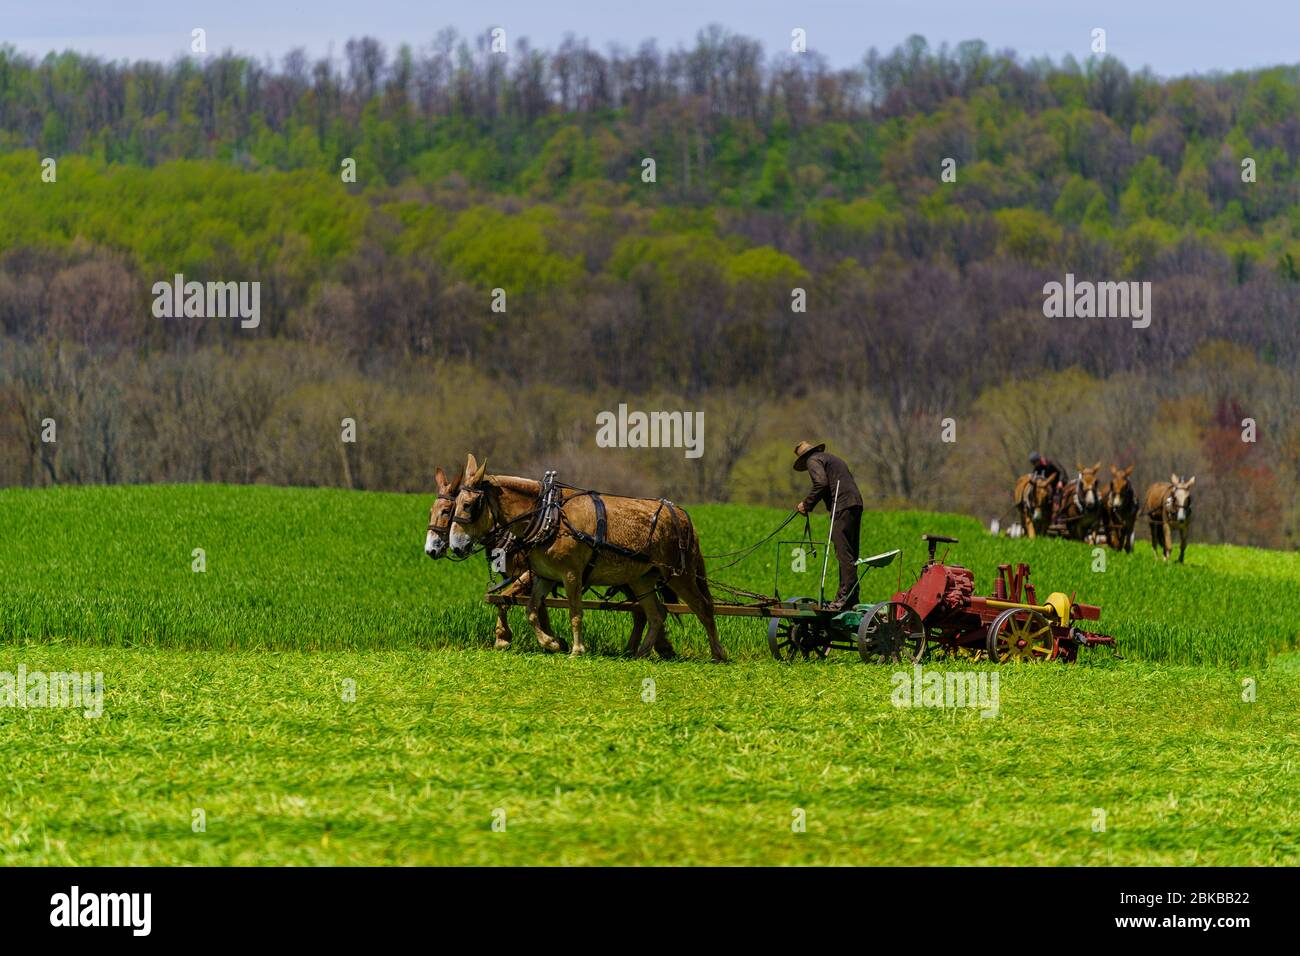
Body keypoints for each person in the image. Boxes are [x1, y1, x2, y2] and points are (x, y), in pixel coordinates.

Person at [793, 441, 864, 609]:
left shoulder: (813, 460)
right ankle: (852, 596)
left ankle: (845, 597)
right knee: (851, 553)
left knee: (843, 552)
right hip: (855, 503)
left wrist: (806, 504)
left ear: (803, 459)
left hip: (842, 505)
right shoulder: (830, 458)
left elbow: (821, 483)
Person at [1029, 452, 1065, 516]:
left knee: (1057, 495)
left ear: (1039, 460)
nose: (1035, 465)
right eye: (1033, 463)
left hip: (1059, 482)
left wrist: (1060, 481)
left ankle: (1060, 514)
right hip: (1049, 485)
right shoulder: (1037, 467)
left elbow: (1062, 471)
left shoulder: (1051, 462)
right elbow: (1034, 475)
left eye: (1035, 463)